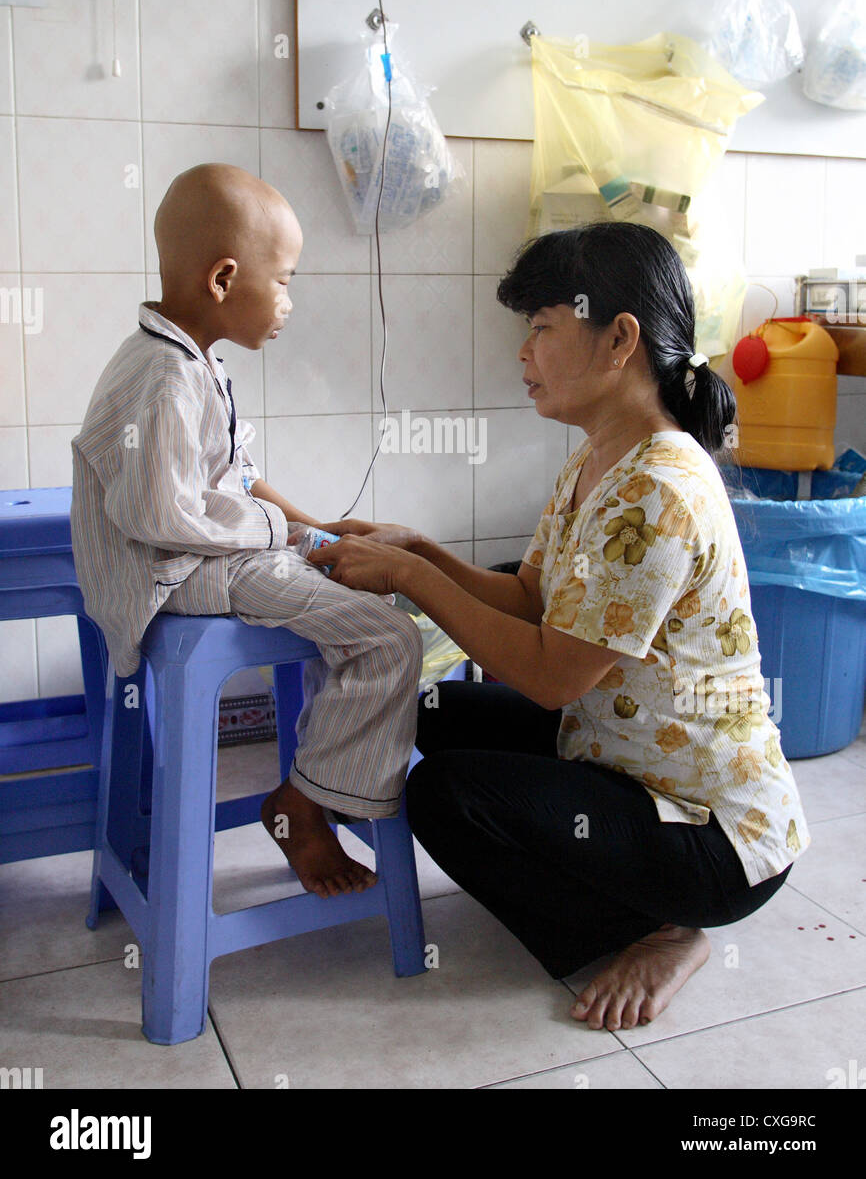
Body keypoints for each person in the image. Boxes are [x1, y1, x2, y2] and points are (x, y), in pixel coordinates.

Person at [311, 221, 811, 1032]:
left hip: (713, 834)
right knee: (429, 709)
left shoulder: (658, 489)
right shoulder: (596, 458)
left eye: (542, 327)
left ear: (619, 340)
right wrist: (421, 550)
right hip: (620, 753)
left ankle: (660, 931)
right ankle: (625, 893)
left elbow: (550, 676)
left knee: (445, 796)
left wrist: (408, 578)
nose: (524, 353)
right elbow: (531, 600)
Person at [70, 163, 423, 900]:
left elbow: (237, 475)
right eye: (285, 280)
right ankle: (301, 804)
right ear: (224, 279)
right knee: (389, 636)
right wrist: (280, 534)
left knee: (359, 590)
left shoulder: (193, 359)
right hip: (170, 571)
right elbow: (161, 516)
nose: (289, 301)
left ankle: (321, 777)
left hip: (203, 555)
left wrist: (309, 527)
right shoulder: (164, 377)